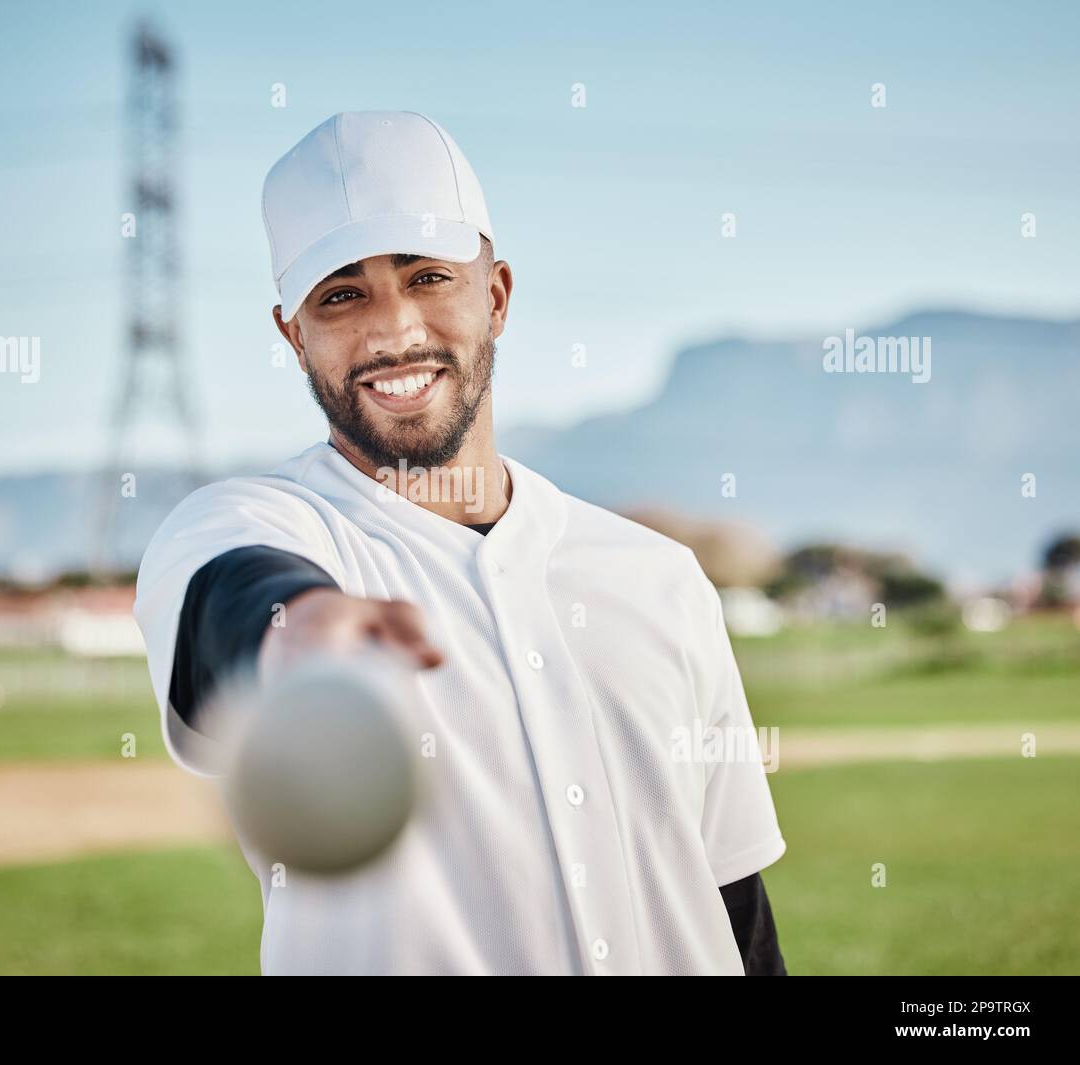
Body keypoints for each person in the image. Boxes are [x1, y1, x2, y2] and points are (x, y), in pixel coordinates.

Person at [134, 110, 787, 975]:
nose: (393, 329)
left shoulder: (660, 579)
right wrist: (304, 628)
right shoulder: (255, 523)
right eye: (340, 294)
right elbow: (236, 591)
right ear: (293, 335)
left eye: (428, 275)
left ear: (498, 295)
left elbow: (734, 909)